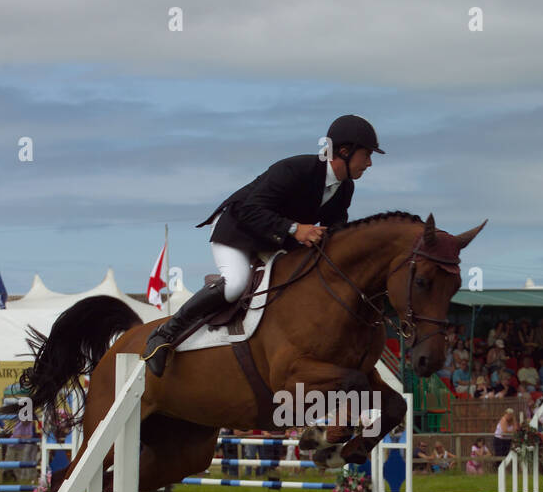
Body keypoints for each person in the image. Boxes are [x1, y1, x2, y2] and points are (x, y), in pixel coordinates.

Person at [142, 114, 383, 376]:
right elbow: (250, 209)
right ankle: (164, 334)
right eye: (366, 155)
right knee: (235, 284)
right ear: (345, 152)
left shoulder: (344, 188)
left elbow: (334, 230)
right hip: (237, 230)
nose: (369, 163)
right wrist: (295, 228)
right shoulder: (294, 170)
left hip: (274, 240)